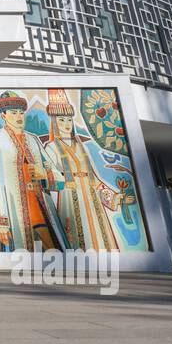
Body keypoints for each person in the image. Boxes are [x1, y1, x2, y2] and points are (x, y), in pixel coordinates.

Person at [0, 91, 69, 252]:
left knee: (53, 248)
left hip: (41, 203)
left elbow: (54, 171)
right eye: (14, 113)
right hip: (15, 207)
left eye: (21, 113)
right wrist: (1, 221)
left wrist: (44, 173)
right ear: (3, 115)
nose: (19, 116)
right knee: (21, 251)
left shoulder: (33, 139)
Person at [41, 89, 126, 250]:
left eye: (68, 120)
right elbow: (51, 176)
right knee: (75, 234)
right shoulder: (51, 147)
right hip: (69, 195)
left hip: (90, 194)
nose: (66, 124)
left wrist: (113, 197)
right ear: (54, 123)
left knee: (99, 233)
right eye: (61, 120)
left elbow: (93, 177)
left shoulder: (81, 146)